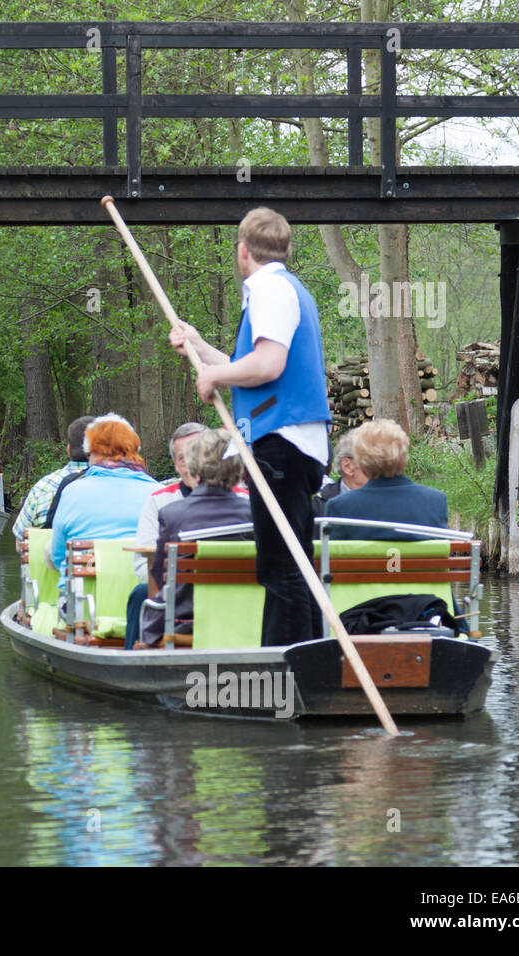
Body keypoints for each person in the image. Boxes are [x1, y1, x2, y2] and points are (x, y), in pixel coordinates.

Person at [168, 207, 331, 647]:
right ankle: (309, 660)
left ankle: (288, 668)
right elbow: (251, 366)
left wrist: (213, 377)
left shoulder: (268, 290)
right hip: (291, 442)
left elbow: (268, 365)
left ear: (243, 252)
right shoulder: (285, 289)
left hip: (281, 442)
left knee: (280, 568)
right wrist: (200, 348)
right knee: (291, 561)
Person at [125, 428, 254, 649]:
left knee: (142, 599)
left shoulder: (173, 514)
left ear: (194, 468)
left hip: (185, 620)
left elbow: (158, 575)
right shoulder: (255, 512)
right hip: (245, 614)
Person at [48, 414, 161, 579]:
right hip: (143, 598)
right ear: (134, 451)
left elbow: (58, 557)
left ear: (93, 452)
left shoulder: (72, 491)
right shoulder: (158, 493)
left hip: (84, 600)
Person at [324, 419, 448, 539]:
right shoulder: (435, 501)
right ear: (404, 454)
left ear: (363, 461)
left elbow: (334, 558)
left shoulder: (340, 507)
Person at [132, 421, 206, 583]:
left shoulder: (243, 500)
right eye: (184, 458)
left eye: (199, 454)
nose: (193, 463)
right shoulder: (159, 502)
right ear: (176, 466)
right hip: (174, 591)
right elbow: (143, 564)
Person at [11, 415, 94, 547]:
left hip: (49, 565)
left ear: (68, 450)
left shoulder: (43, 486)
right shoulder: (115, 487)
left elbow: (20, 541)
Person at [312, 429, 368, 516]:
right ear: (348, 466)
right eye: (370, 461)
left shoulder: (385, 503)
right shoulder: (318, 507)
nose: (378, 467)